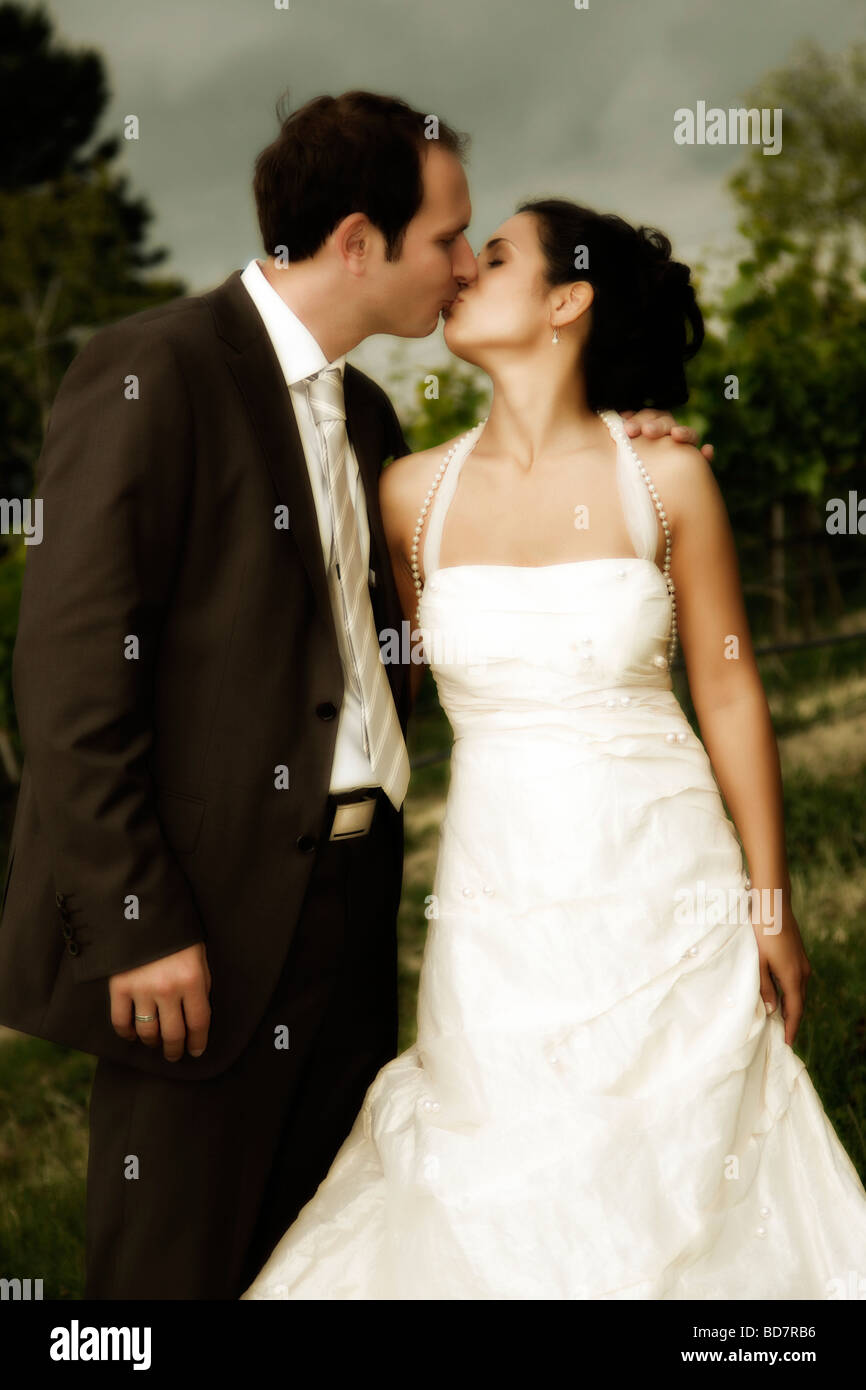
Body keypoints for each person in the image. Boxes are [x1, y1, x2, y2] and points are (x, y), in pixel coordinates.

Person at [0, 93, 699, 1300]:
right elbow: (68, 675)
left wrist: (615, 432)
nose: (461, 266)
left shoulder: (370, 417)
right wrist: (136, 921)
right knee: (162, 1280)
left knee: (325, 1261)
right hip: (198, 921)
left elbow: (494, 527)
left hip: (359, 905)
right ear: (360, 242)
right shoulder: (151, 370)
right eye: (447, 240)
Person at [241, 198, 866, 1300]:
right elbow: (379, 668)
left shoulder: (665, 479)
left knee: (689, 1146)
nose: (458, 274)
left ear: (566, 301)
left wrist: (769, 900)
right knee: (500, 1149)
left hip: (665, 877)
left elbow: (725, 689)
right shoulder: (406, 493)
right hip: (497, 894)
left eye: (491, 257)